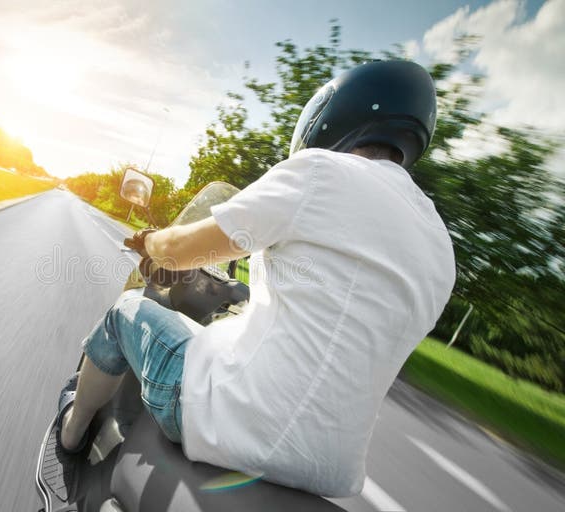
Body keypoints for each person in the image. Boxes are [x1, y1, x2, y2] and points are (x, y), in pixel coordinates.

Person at [56, 60, 455, 497]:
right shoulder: (439, 243)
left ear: (336, 111)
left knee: (124, 312)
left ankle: (71, 433)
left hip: (230, 421)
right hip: (330, 471)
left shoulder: (322, 173)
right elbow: (337, 316)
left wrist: (151, 244)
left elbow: (190, 246)